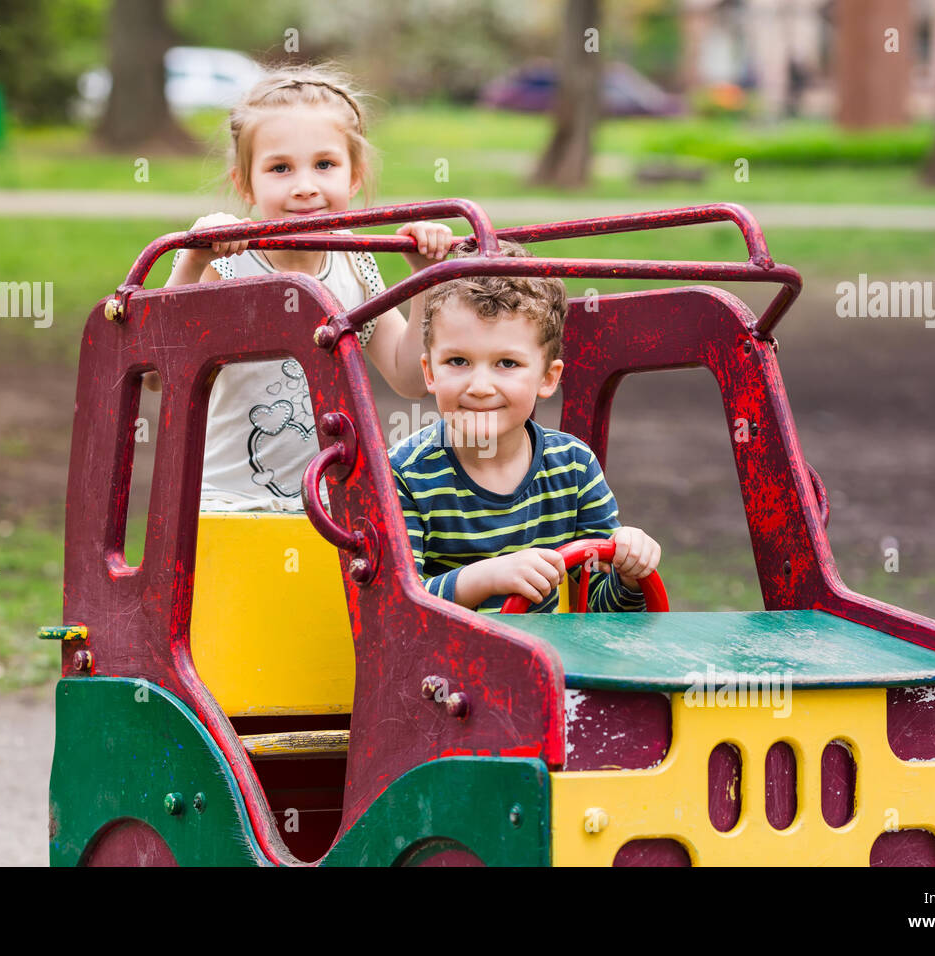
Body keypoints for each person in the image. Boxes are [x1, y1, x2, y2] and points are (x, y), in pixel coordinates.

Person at [159, 64, 452, 511]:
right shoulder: (226, 263)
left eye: (324, 164)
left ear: (353, 176)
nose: (304, 187)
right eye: (280, 168)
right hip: (228, 505)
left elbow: (409, 378)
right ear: (245, 184)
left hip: (330, 507)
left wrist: (422, 278)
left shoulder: (353, 261)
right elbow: (160, 376)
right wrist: (196, 256)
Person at [389, 242, 662, 613]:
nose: (480, 386)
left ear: (547, 378)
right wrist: (485, 578)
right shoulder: (404, 474)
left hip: (548, 666)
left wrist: (629, 574)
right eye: (458, 361)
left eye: (506, 363)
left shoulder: (574, 467)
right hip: (445, 668)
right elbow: (397, 608)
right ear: (430, 372)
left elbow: (602, 614)